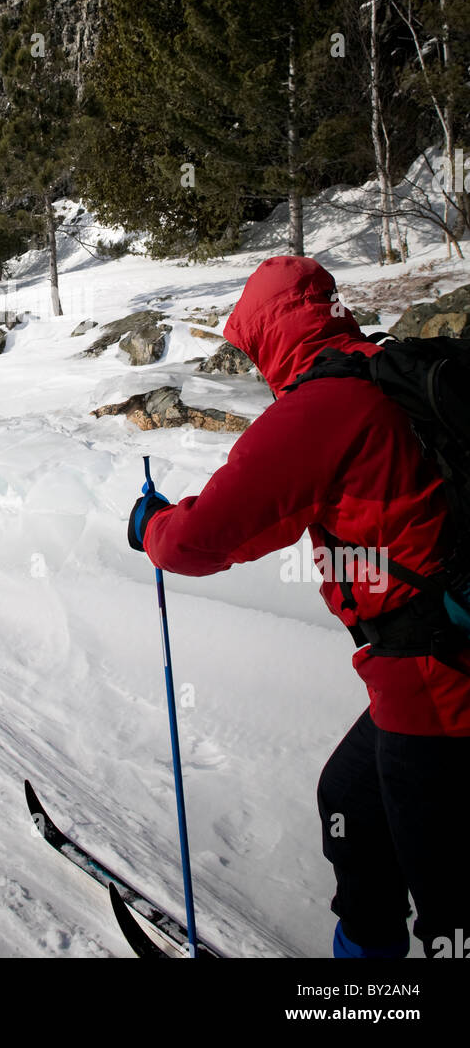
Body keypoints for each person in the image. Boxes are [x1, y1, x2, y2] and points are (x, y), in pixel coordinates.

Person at [128, 255, 470, 959]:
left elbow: (199, 540)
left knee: (452, 911)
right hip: (427, 664)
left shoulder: (320, 407)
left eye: (251, 347)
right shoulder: (384, 365)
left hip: (439, 685)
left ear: (266, 336)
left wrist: (149, 529)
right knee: (349, 800)